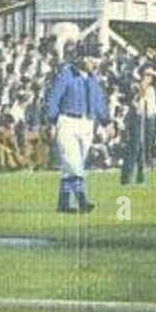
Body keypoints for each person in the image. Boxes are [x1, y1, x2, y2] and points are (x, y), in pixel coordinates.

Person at [45, 41, 109, 213]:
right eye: (92, 59)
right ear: (81, 58)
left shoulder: (92, 79)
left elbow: (99, 101)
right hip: (67, 121)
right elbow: (54, 98)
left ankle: (63, 203)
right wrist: (51, 121)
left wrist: (106, 121)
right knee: (73, 163)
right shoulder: (66, 75)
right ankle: (82, 200)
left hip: (87, 123)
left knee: (72, 165)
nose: (95, 63)